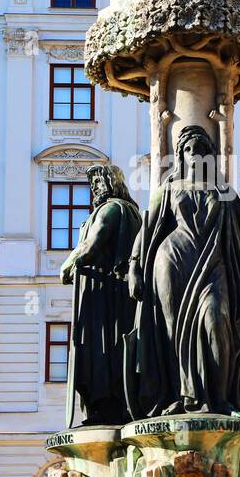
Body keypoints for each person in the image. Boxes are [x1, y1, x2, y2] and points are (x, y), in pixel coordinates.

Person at [126, 125, 240, 417]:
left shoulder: (222, 190)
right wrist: (134, 268)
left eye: (201, 148)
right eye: (188, 149)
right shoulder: (169, 188)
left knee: (217, 320)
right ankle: (178, 396)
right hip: (172, 261)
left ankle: (219, 400)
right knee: (172, 331)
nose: (195, 154)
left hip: (212, 262)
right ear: (180, 155)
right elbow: (146, 229)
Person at [61, 163, 141, 427]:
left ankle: (106, 405)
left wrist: (69, 263)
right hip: (113, 293)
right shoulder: (130, 212)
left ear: (113, 182)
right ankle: (112, 402)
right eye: (92, 184)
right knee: (109, 350)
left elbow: (92, 245)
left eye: (99, 181)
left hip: (104, 293)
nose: (94, 188)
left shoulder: (112, 208)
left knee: (100, 349)